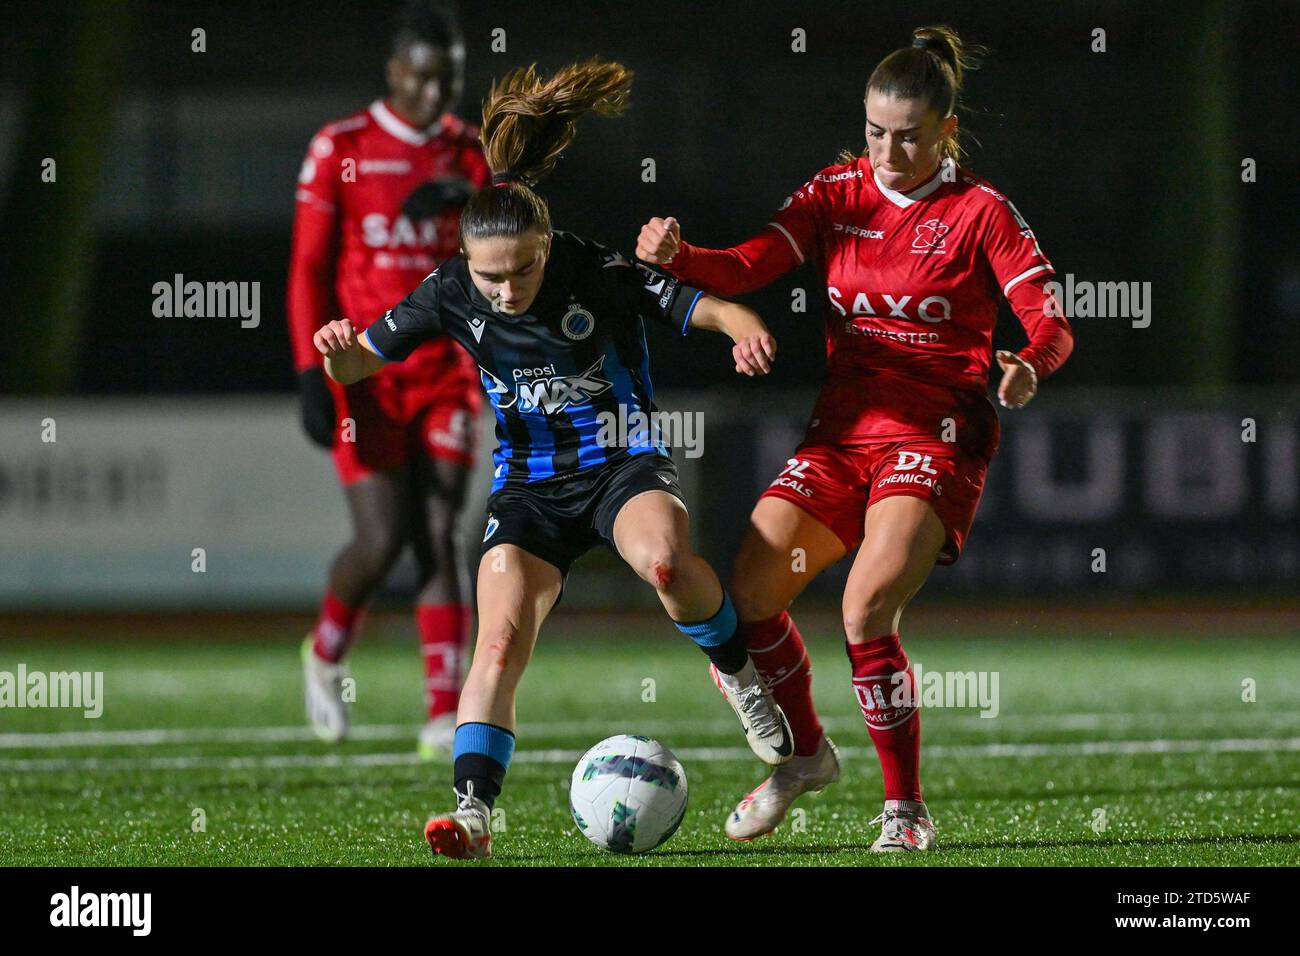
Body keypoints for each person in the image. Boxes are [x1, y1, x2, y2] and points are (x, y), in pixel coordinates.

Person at [313, 58, 794, 861]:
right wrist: (336, 356)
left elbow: (694, 303)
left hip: (621, 463)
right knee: (497, 643)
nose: (505, 292)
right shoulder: (449, 291)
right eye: (489, 276)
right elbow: (361, 360)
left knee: (667, 563)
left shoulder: (594, 270)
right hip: (530, 487)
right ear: (466, 261)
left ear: (546, 247)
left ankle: (740, 676)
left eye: (523, 271)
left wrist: (740, 325)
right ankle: (472, 812)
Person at [635, 25, 1074, 851]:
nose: (888, 150)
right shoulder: (838, 194)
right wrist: (684, 256)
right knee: (752, 594)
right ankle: (804, 757)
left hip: (936, 439)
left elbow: (1050, 319)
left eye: (908, 136)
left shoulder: (981, 213)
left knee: (866, 608)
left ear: (945, 130)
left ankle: (905, 810)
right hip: (843, 436)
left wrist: (1031, 366)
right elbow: (752, 262)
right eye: (875, 132)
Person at [288, 2, 488, 758]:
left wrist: (479, 211)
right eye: (427, 78)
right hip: (364, 375)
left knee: (440, 530)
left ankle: (445, 711)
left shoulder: (471, 154)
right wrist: (312, 372)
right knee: (382, 538)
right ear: (396, 71)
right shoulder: (341, 146)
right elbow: (308, 266)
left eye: (453, 80)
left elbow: (510, 255)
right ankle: (327, 653)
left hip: (445, 369)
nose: (439, 95)